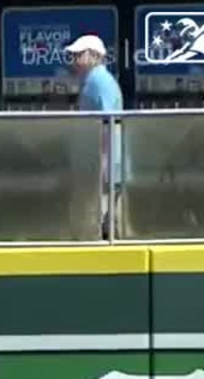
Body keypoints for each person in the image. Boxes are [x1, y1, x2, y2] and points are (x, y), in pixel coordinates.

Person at [63, 34, 125, 238]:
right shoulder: (96, 80)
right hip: (100, 159)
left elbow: (108, 120)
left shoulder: (98, 82)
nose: (74, 60)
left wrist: (102, 160)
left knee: (99, 209)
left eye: (78, 55)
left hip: (101, 160)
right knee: (102, 209)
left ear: (92, 55)